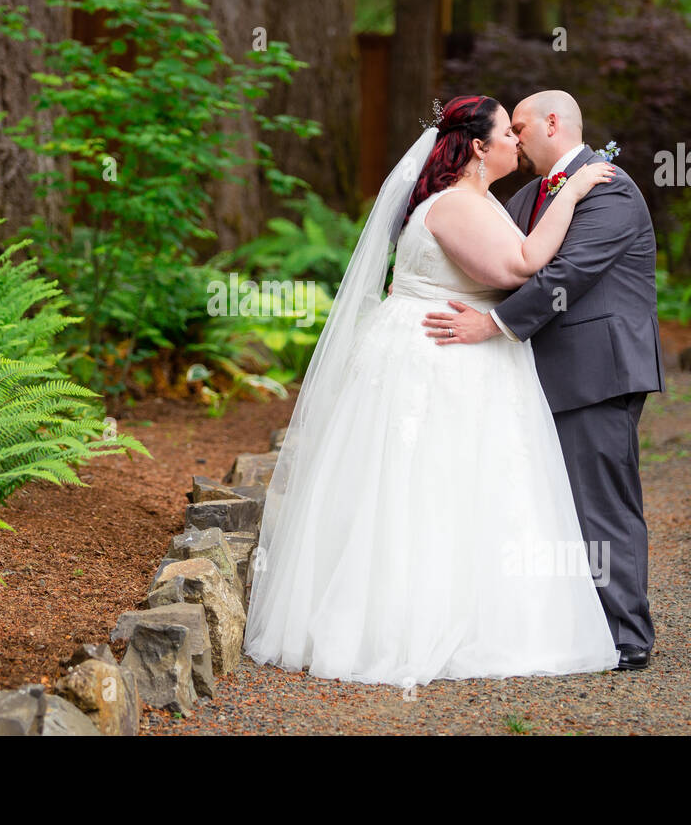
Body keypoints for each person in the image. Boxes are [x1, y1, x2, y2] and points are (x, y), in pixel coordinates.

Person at [242, 95, 620, 687]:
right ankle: (406, 628)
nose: (516, 144)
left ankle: (473, 615)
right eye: (507, 134)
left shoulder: (477, 201)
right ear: (478, 147)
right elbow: (520, 266)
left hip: (459, 349)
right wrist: (571, 192)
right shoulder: (454, 206)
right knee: (425, 487)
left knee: (458, 487)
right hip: (439, 356)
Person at [420, 89, 665, 670]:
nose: (515, 136)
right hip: (538, 376)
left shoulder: (609, 188)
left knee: (600, 506)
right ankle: (572, 627)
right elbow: (505, 259)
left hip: (597, 372)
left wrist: (495, 324)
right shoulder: (531, 194)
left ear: (553, 122)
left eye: (522, 125)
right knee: (548, 506)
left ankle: (626, 637)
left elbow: (567, 272)